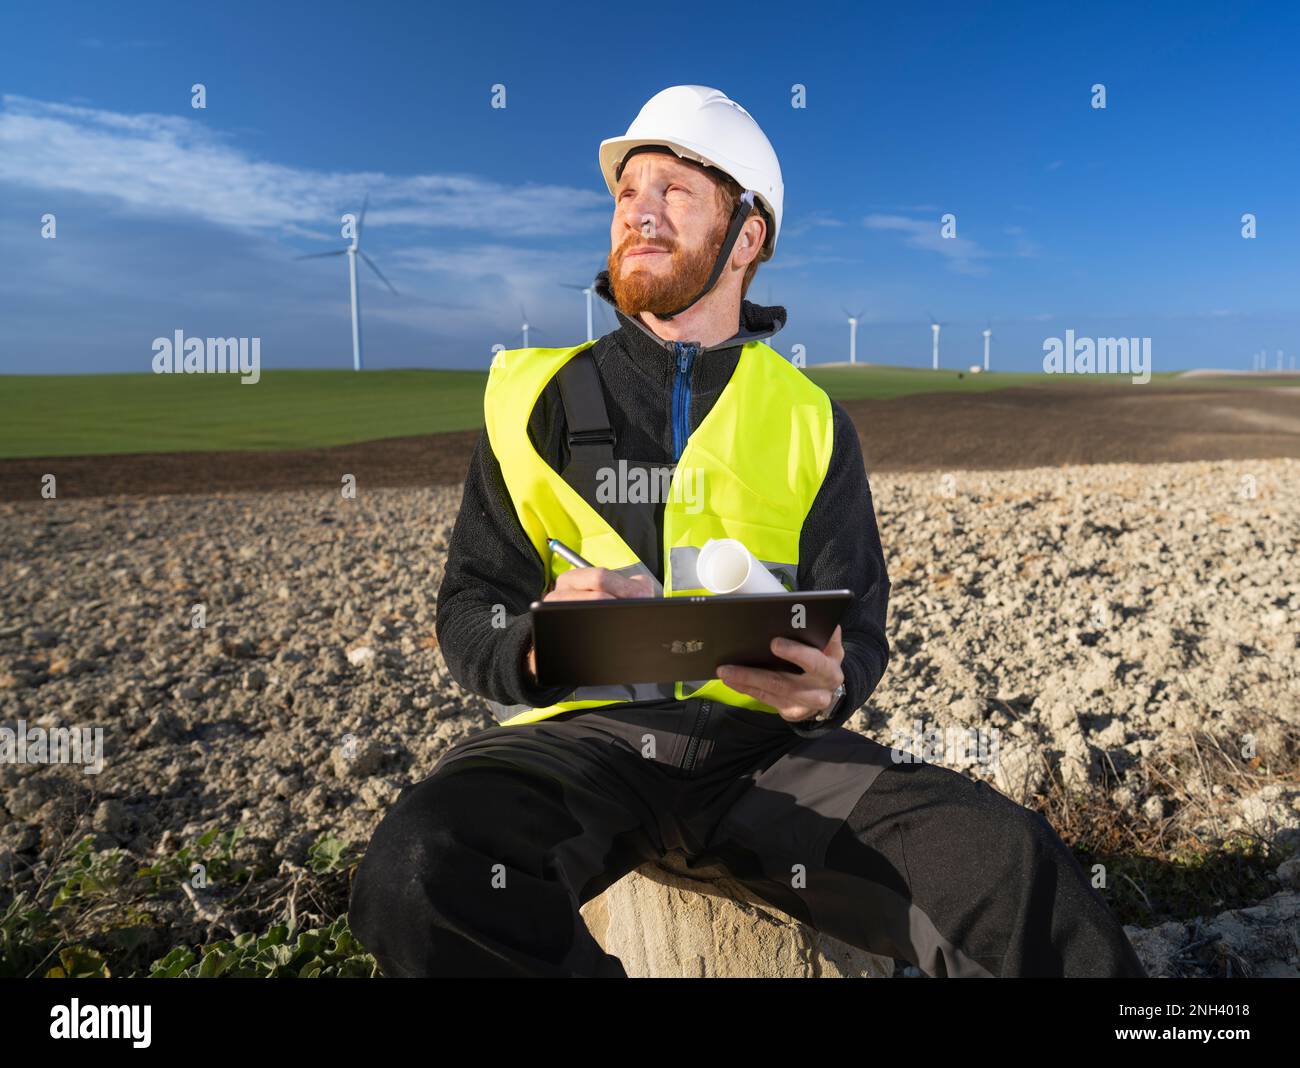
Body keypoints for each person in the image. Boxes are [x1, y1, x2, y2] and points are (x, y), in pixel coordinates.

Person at [347, 85, 1147, 978]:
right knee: (424, 870)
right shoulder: (530, 398)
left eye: (675, 192)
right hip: (577, 748)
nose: (639, 213)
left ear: (748, 237)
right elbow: (469, 607)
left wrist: (828, 689)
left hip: (767, 755)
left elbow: (862, 631)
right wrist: (534, 647)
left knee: (1011, 864)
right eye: (626, 194)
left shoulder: (810, 421)